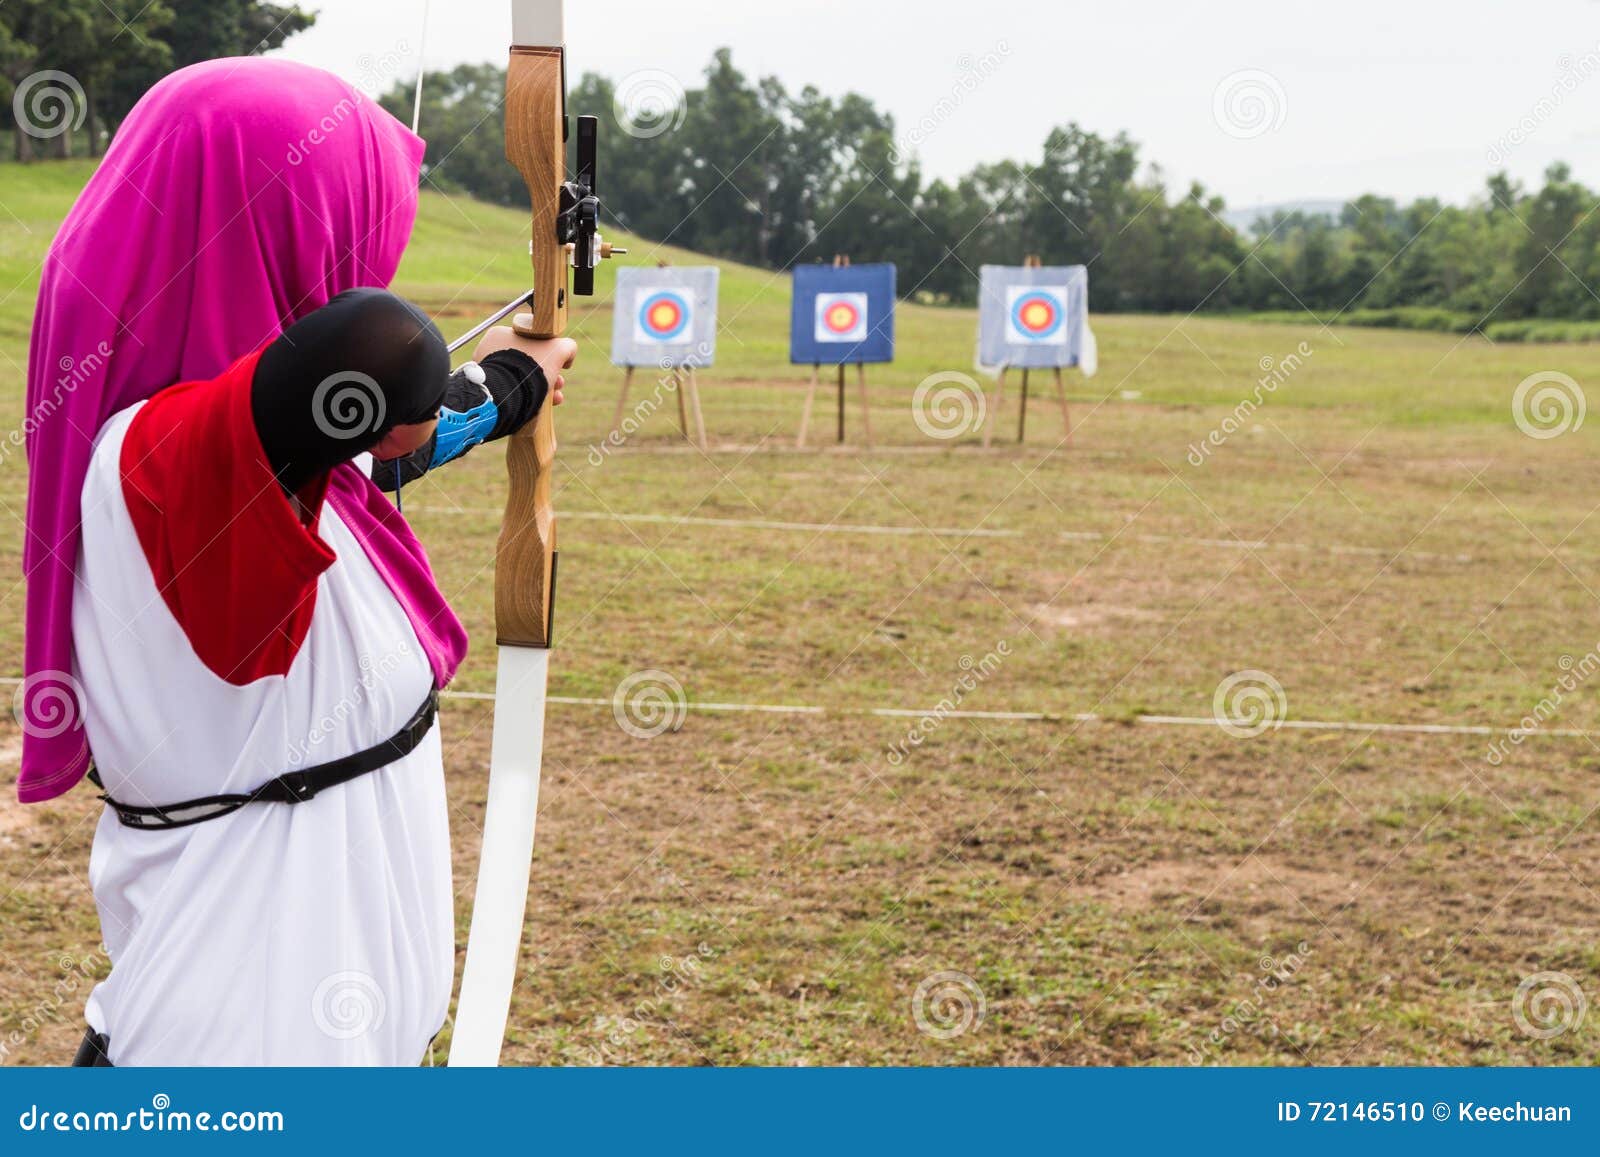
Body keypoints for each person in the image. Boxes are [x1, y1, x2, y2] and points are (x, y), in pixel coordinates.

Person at [20, 57, 576, 1065]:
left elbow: (366, 447)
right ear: (269, 225)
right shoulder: (158, 455)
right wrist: (416, 395)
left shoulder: (250, 469)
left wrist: (508, 387)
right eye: (345, 218)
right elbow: (379, 356)